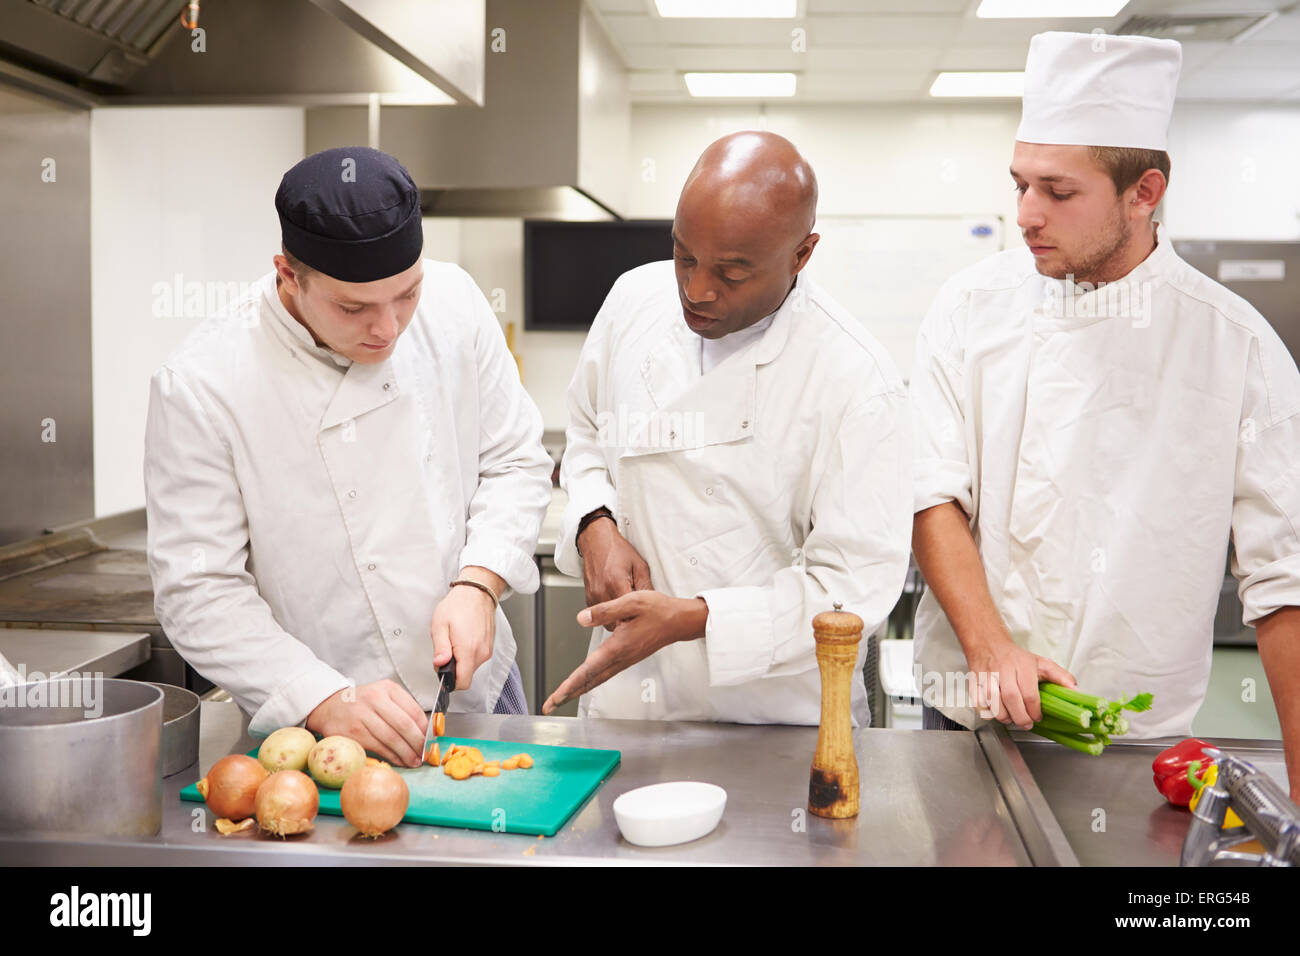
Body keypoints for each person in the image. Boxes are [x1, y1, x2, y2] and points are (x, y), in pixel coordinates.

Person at [909, 32, 1300, 798]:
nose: (1025, 214)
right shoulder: (969, 308)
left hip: (1134, 733)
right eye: (1019, 182)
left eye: (1058, 192)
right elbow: (930, 492)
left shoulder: (1236, 348)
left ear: (1143, 193)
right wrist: (993, 651)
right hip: (965, 717)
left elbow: (1285, 583)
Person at [144, 147, 552, 767]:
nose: (387, 329)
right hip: (319, 727)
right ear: (287, 275)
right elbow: (199, 588)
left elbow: (516, 460)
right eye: (353, 308)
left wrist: (480, 584)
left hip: (476, 690)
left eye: (406, 295)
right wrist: (324, 697)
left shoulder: (457, 303)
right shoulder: (203, 384)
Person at [543, 131, 912, 725]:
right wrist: (594, 523)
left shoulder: (856, 381)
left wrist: (697, 618)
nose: (696, 290)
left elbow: (851, 589)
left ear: (802, 254)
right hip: (630, 710)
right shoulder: (633, 300)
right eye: (683, 255)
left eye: (732, 273)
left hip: (776, 723)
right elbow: (587, 431)